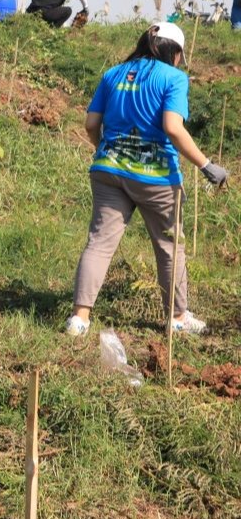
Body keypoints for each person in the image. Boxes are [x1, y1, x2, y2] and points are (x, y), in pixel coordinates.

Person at [65, 23, 228, 337]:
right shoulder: (173, 78)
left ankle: (79, 319)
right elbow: (172, 127)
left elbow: (90, 123)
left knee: (99, 244)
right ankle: (177, 317)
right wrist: (207, 165)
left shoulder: (113, 73)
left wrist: (104, 148)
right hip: (156, 178)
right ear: (174, 52)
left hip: (108, 171)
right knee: (169, 248)